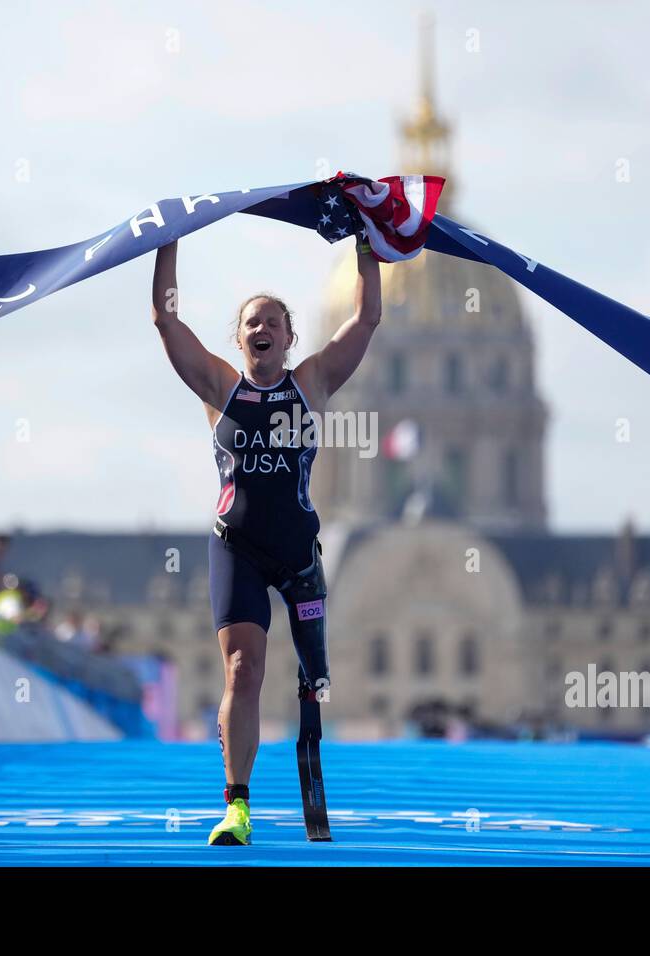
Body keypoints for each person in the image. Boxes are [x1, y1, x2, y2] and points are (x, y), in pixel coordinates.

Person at [151, 232, 381, 845]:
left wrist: (368, 241)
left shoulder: (312, 384)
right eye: (252, 322)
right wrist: (166, 239)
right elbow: (164, 318)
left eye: (273, 322)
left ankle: (310, 762)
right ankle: (237, 806)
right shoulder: (221, 389)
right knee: (243, 671)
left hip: (299, 555)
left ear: (288, 338)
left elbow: (366, 317)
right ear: (240, 338)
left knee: (316, 678)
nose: (262, 329)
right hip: (237, 547)